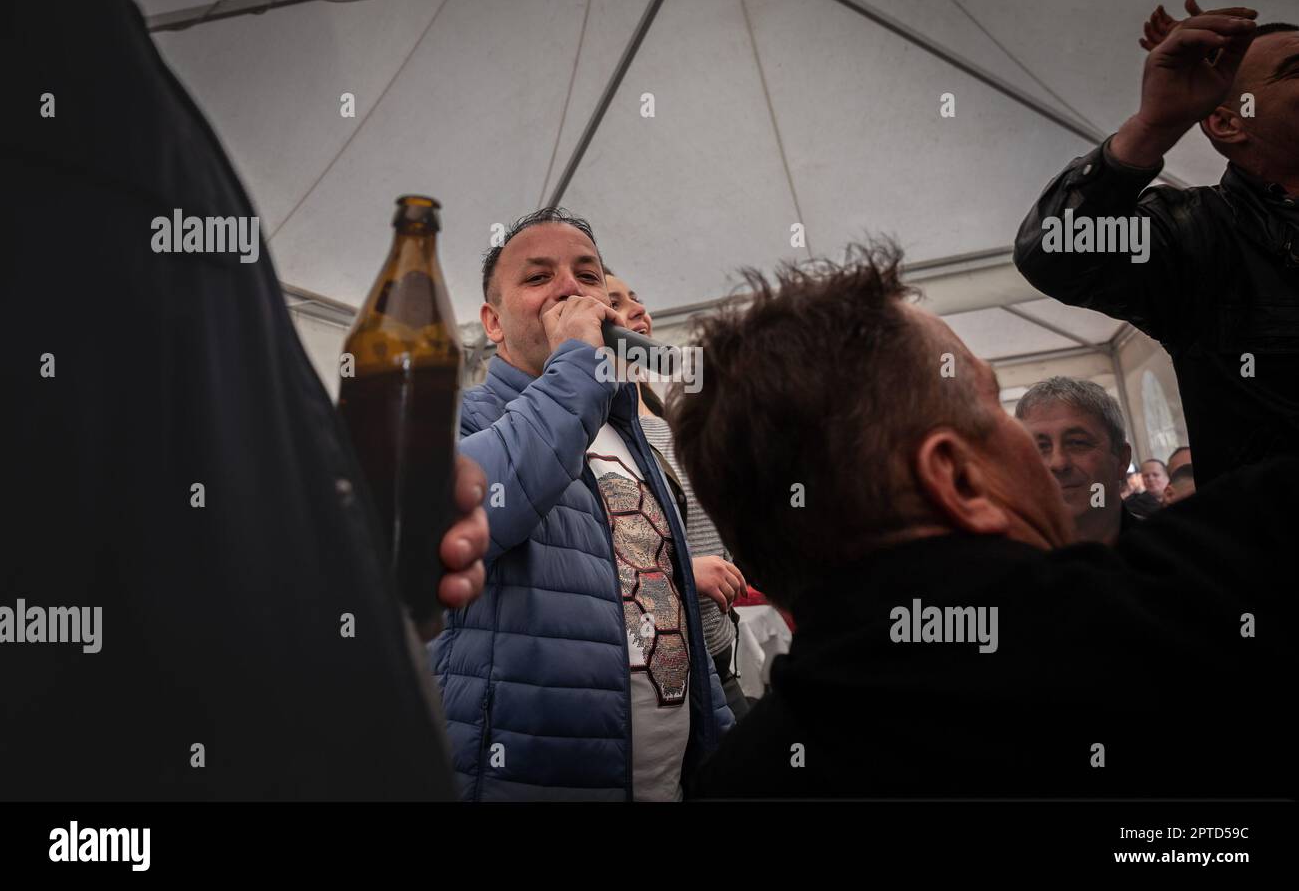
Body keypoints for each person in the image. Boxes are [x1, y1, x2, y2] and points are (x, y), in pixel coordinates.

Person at [0, 0, 488, 800]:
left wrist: (316, 491)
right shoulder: (52, 70)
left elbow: (134, 449)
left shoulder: (105, 69)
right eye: (544, 274)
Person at [670, 244, 1292, 799]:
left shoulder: (740, 778)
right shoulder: (1206, 605)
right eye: (994, 404)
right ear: (959, 479)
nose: (1045, 460)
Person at [430, 209, 733, 801]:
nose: (571, 289)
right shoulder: (456, 416)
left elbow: (669, 607)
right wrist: (577, 364)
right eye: (539, 277)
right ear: (492, 321)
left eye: (588, 276)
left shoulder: (630, 431)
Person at [1014, 0, 1299, 489]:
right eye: (1295, 70)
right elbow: (1054, 250)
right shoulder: (1195, 231)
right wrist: (1153, 127)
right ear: (1228, 122)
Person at [605, 268, 752, 720]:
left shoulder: (665, 406)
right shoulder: (590, 423)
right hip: (668, 677)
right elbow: (592, 541)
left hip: (718, 654)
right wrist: (682, 571)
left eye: (637, 297)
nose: (638, 309)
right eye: (616, 301)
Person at [1015, 377, 1132, 544]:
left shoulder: (1172, 553)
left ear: (1122, 459)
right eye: (1040, 447)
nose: (1058, 463)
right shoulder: (1001, 565)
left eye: (1077, 443)